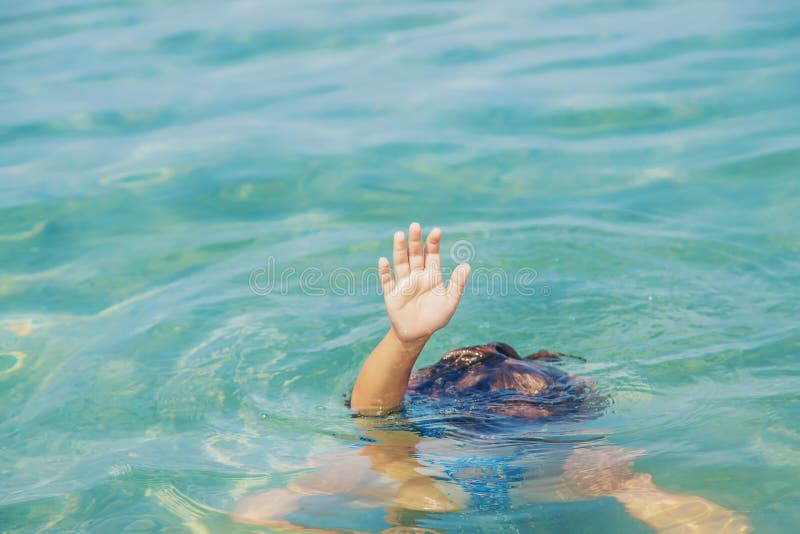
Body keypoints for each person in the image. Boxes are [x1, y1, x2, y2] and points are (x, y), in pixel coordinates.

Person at [232, 223, 750, 533]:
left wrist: (407, 345)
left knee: (386, 443)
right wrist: (406, 341)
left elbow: (257, 512)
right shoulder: (581, 472)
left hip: (478, 442)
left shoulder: (576, 466)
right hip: (510, 441)